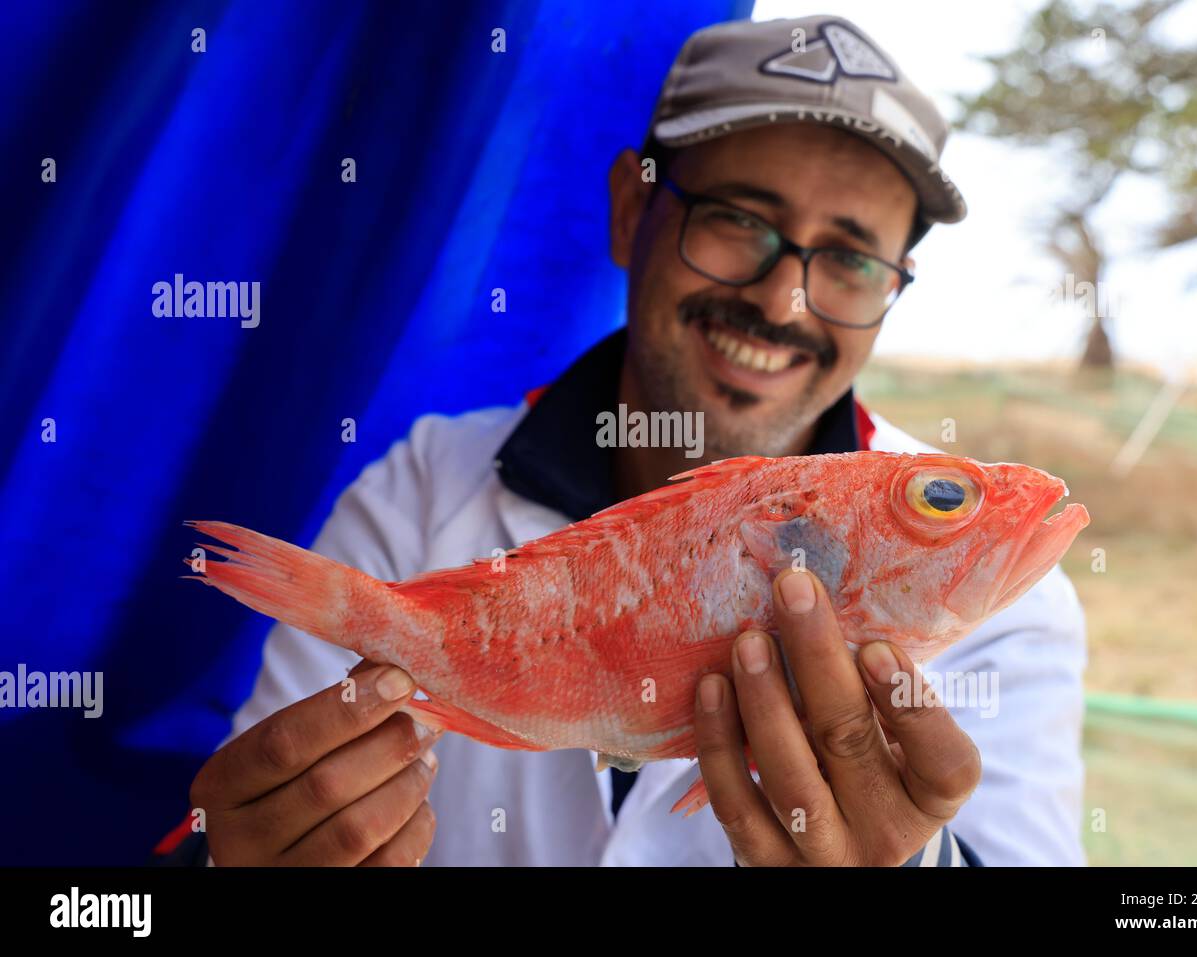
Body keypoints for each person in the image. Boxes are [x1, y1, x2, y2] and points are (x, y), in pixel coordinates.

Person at [157, 14, 1087, 867]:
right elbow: (252, 806)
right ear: (632, 213)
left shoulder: (1013, 606)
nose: (781, 299)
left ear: (895, 285)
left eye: (849, 257)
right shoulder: (425, 484)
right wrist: (244, 856)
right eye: (738, 220)